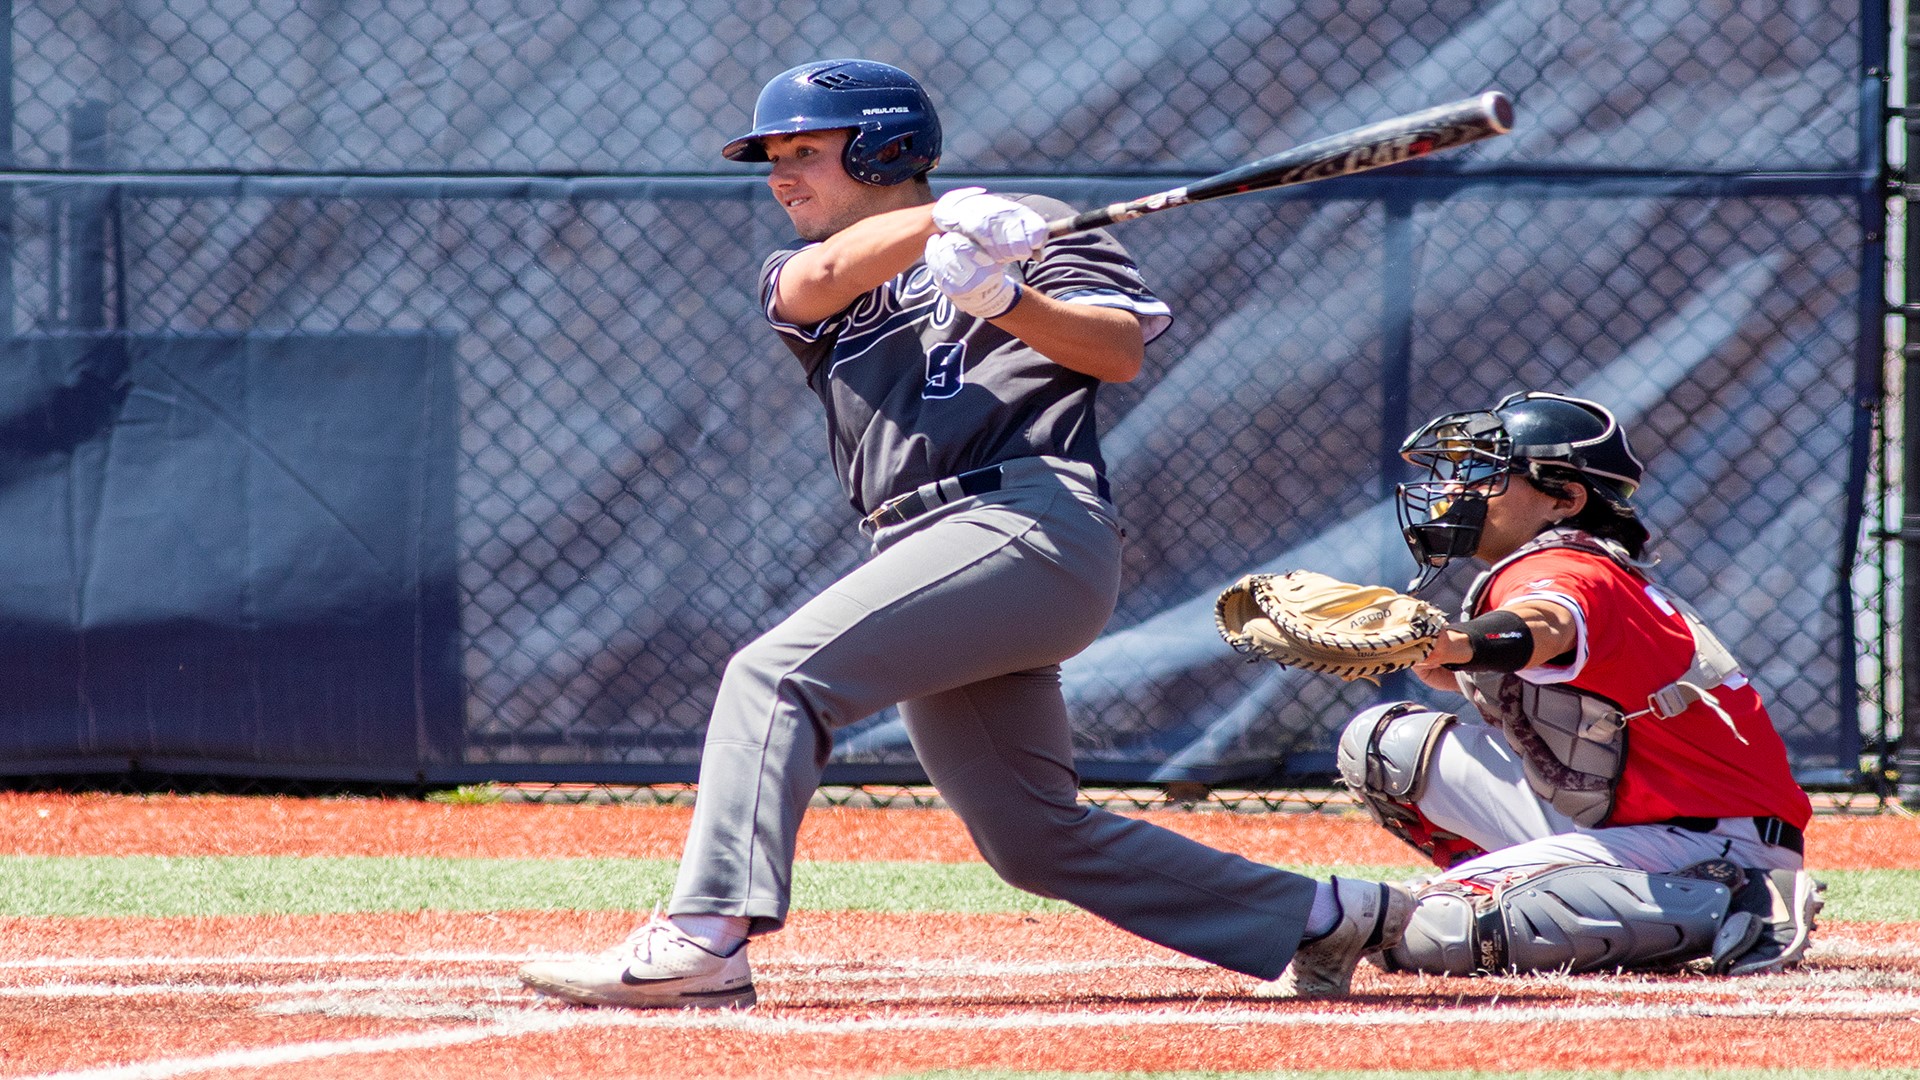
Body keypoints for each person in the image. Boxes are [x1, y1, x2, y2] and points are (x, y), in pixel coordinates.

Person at [517, 58, 1411, 1008]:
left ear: (886, 147)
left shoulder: (1033, 227)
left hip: (1028, 520)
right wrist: (947, 221)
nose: (782, 177)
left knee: (775, 677)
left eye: (806, 152)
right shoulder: (812, 269)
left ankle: (706, 936)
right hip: (922, 548)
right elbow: (818, 279)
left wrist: (1006, 299)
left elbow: (1116, 350)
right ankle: (1325, 915)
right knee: (1034, 838)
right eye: (774, 158)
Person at [1335, 390, 1820, 978]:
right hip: (1640, 817)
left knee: (1423, 931)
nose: (1459, 488)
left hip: (1711, 839)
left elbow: (1547, 622)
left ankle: (1744, 900)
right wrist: (1449, 659)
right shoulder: (1574, 563)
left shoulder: (1564, 566)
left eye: (1487, 474)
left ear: (1565, 498)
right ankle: (1547, 894)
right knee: (1383, 745)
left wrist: (1455, 644)